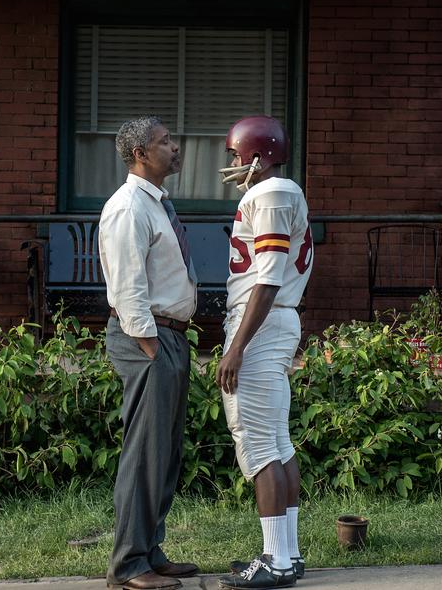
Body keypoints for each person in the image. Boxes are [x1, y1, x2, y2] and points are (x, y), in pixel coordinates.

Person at [99, 116, 200, 590]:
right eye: (165, 142)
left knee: (164, 453)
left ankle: (150, 549)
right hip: (148, 339)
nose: (175, 147)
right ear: (140, 153)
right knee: (144, 454)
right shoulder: (127, 208)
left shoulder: (155, 204)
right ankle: (129, 564)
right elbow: (126, 285)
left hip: (166, 337)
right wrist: (150, 345)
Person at [212, 117, 312, 589]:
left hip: (261, 324)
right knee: (277, 440)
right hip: (275, 322)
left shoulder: (270, 194)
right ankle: (286, 555)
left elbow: (267, 279)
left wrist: (237, 347)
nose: (233, 163)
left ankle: (275, 561)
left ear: (258, 153)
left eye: (237, 154)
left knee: (257, 443)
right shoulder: (282, 191)